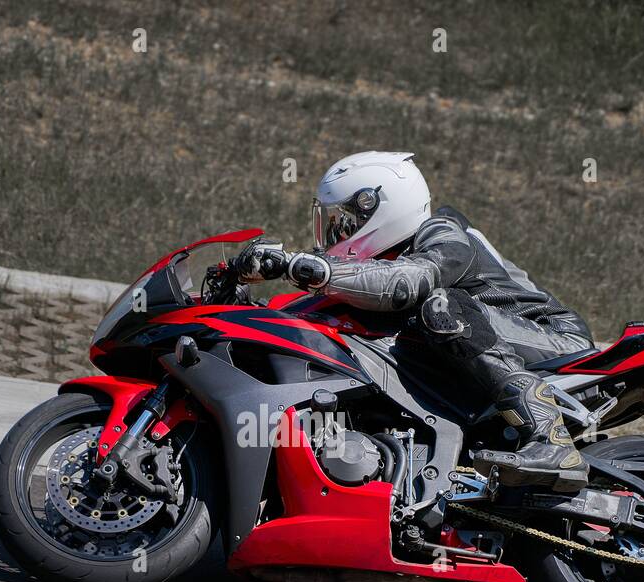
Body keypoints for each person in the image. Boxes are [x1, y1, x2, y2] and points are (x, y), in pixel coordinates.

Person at [235, 151, 594, 493]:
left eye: (346, 221)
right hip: (481, 358)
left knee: (440, 305)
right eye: (332, 223)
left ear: (381, 207)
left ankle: (550, 435)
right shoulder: (379, 263)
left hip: (554, 339)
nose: (337, 235)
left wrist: (305, 267)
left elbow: (407, 283)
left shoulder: (443, 233)